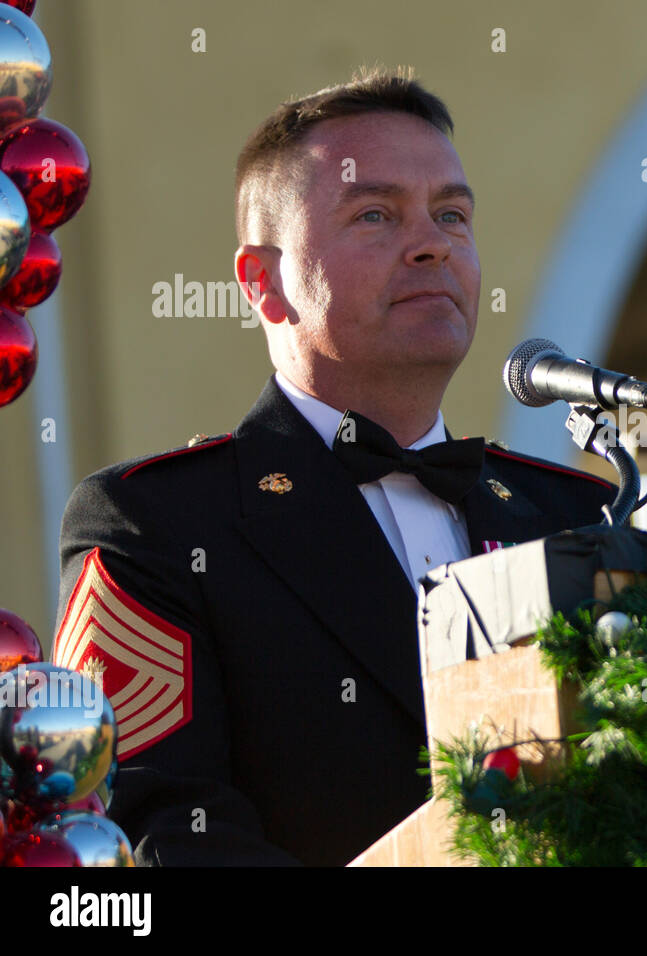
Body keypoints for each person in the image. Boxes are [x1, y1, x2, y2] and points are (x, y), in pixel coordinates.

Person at [52, 68, 617, 866]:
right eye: (376, 214)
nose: (433, 243)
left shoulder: (574, 517)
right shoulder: (156, 523)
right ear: (264, 283)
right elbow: (152, 826)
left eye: (452, 215)